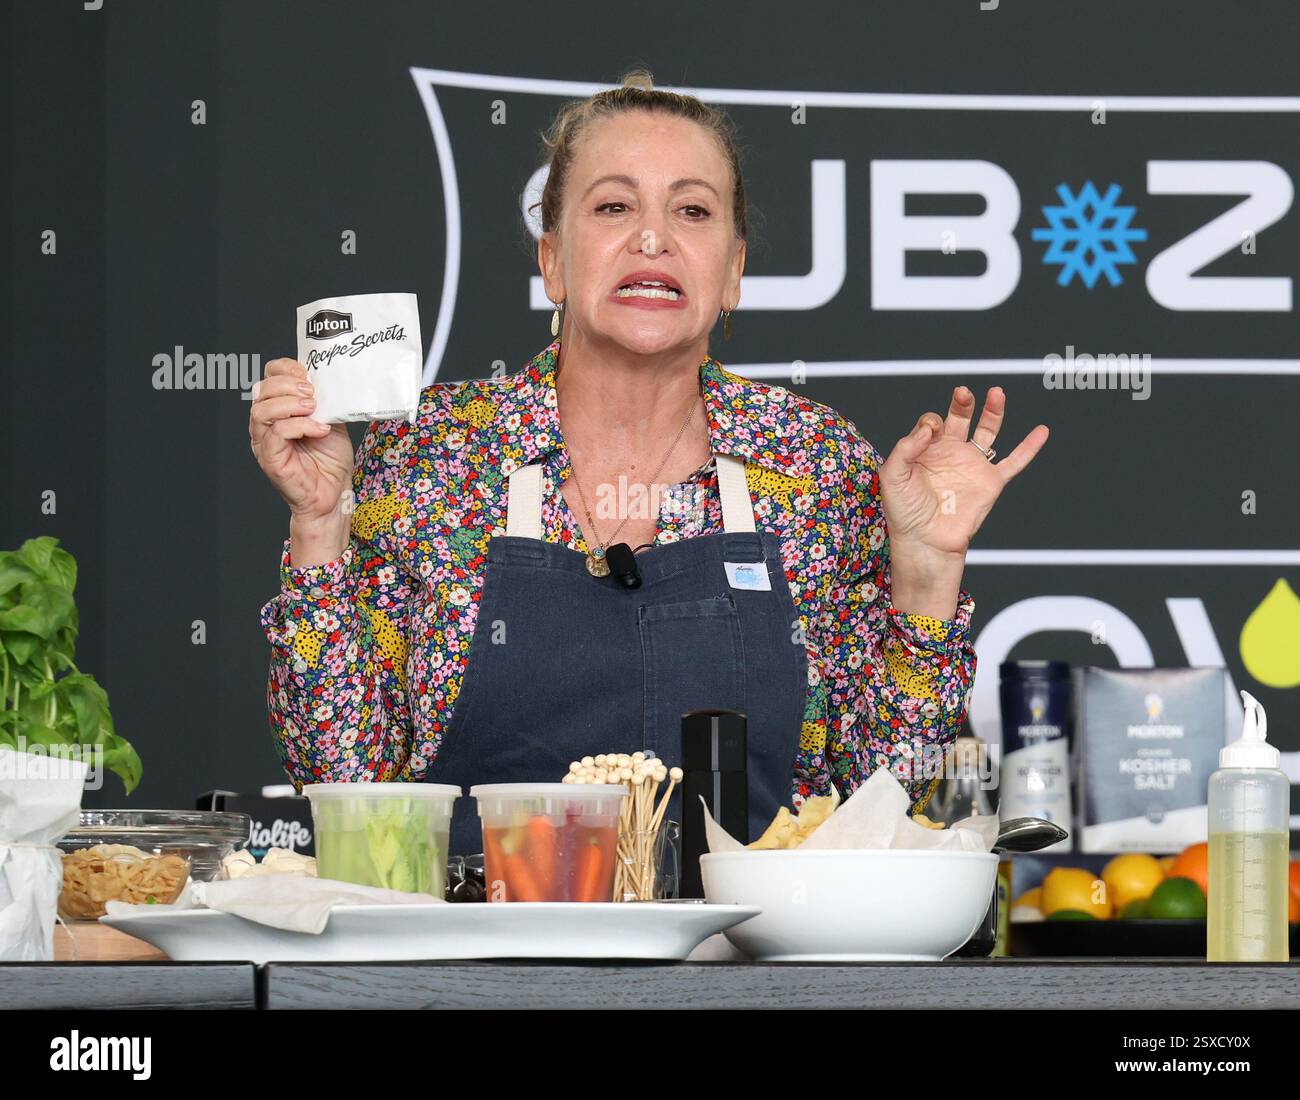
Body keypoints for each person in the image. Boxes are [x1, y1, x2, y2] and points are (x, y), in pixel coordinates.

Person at [251, 68, 1048, 854]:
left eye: (692, 210)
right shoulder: (426, 456)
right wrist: (321, 525)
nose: (653, 237)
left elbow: (882, 799)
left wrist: (927, 571)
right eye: (613, 205)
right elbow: (346, 780)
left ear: (733, 271)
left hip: (750, 969)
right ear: (553, 259)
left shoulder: (815, 466)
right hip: (477, 964)